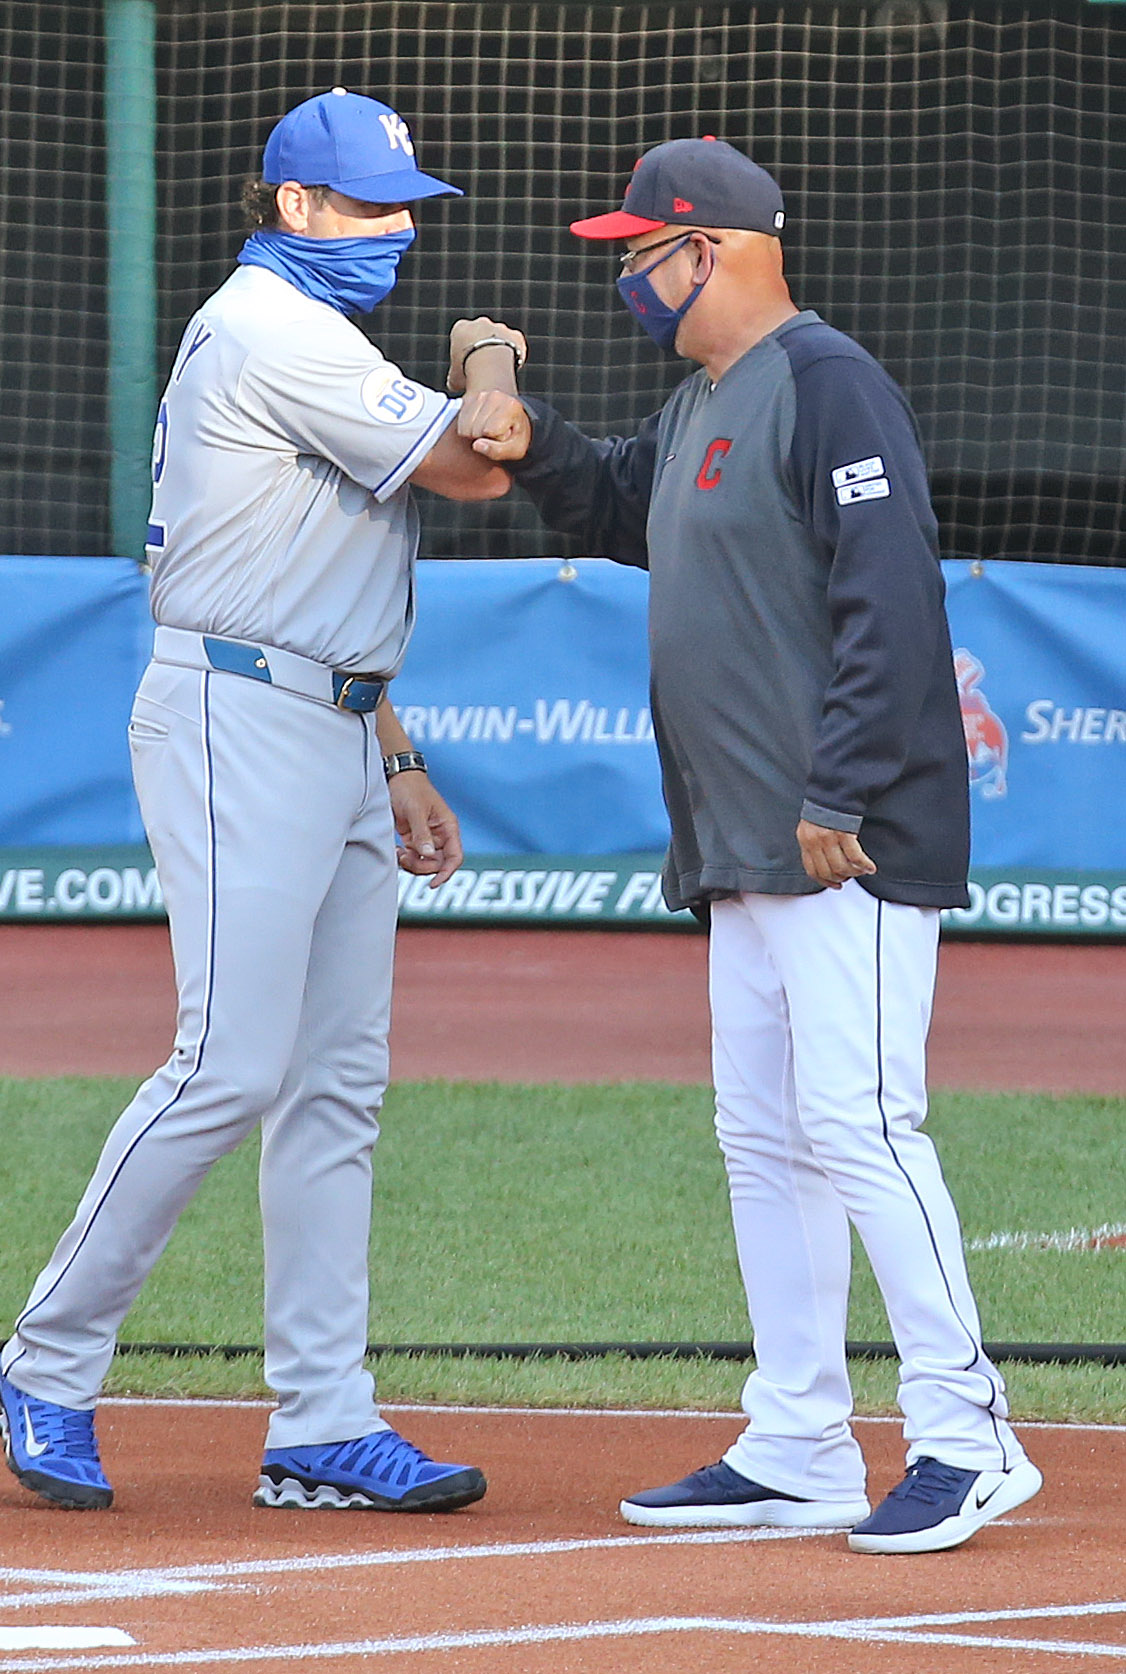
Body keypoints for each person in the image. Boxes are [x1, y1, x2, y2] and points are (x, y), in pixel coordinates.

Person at [455, 137, 1042, 1555]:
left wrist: (842, 791)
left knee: (862, 1126)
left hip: (845, 839)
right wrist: (527, 434)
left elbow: (890, 598)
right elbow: (620, 505)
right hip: (743, 841)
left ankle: (968, 1436)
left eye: (639, 253)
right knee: (766, 1140)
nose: (627, 279)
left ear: (705, 249)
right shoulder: (704, 399)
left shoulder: (828, 384)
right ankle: (797, 1441)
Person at [0, 88, 528, 1514]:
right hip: (237, 710)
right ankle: (44, 1360)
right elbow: (477, 465)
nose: (395, 229)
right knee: (228, 1062)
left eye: (405, 207)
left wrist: (392, 750)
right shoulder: (271, 325)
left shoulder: (312, 328)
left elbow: (321, 571)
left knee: (336, 1084)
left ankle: (323, 1422)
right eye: (368, 204)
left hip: (330, 714)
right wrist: (485, 352)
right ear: (295, 204)